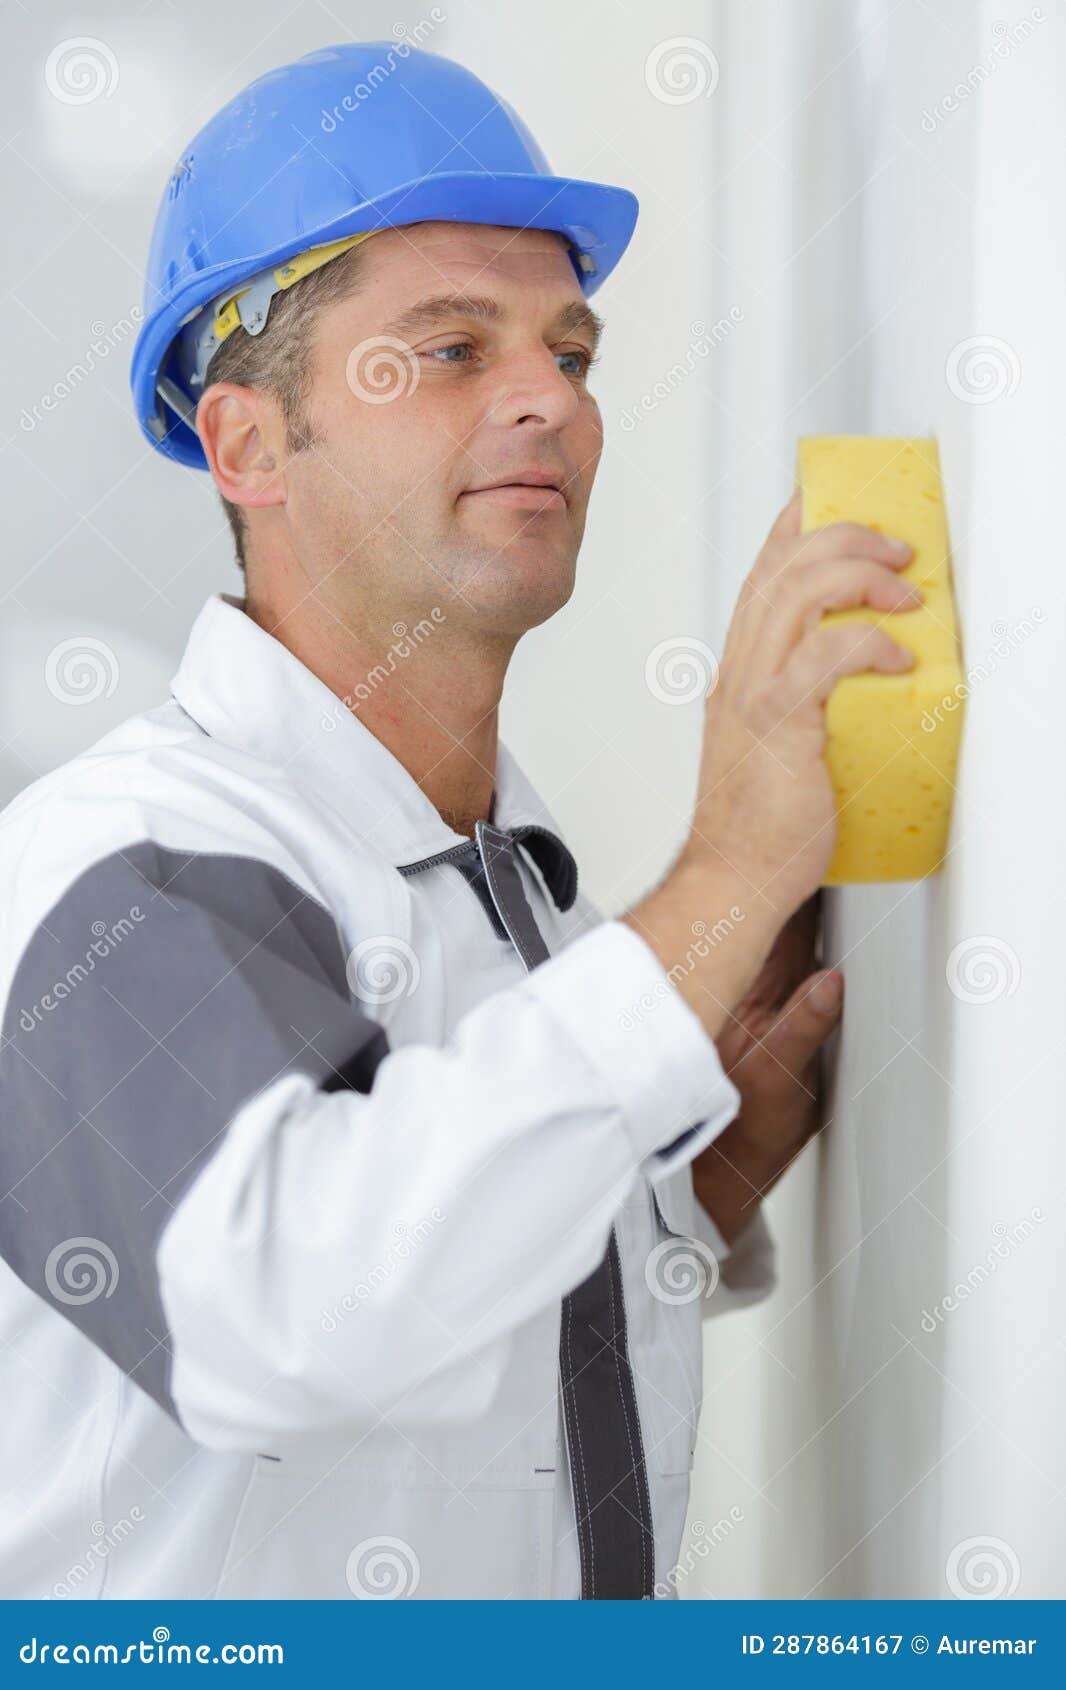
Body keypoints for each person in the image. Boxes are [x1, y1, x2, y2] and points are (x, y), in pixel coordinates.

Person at [0, 43, 918, 1601]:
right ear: (248, 445)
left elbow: (425, 1318)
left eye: (571, 348)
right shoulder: (119, 866)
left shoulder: (498, 900)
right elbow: (283, 1312)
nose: (546, 398)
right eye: (447, 349)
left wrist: (671, 1193)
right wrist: (720, 882)